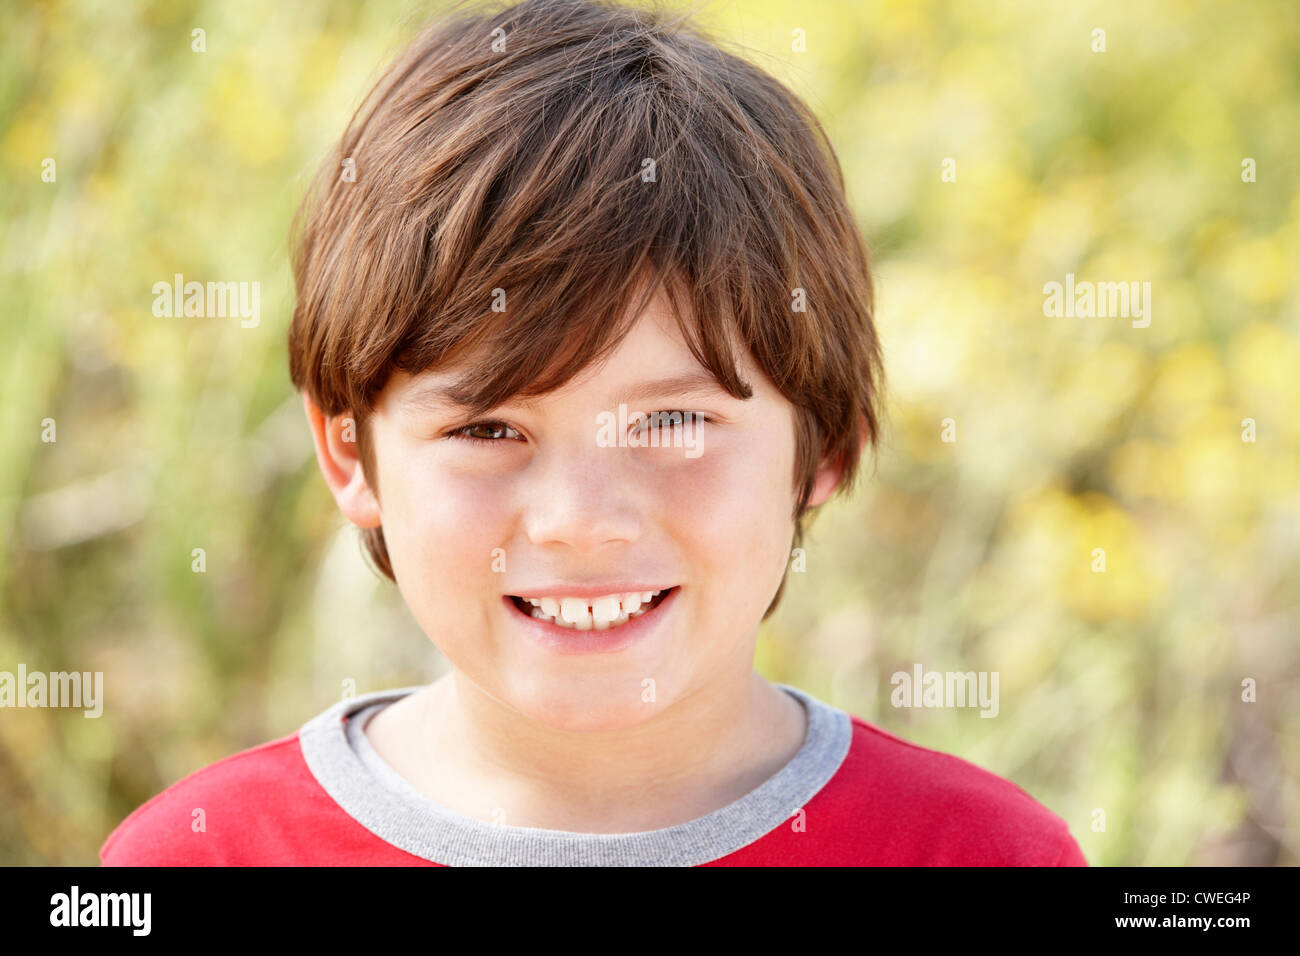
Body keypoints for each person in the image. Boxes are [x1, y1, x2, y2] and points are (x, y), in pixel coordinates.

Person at [101, 0, 1086, 866]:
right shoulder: (197, 856)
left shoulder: (976, 854)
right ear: (351, 457)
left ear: (820, 446)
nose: (580, 522)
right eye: (488, 427)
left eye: (671, 419)